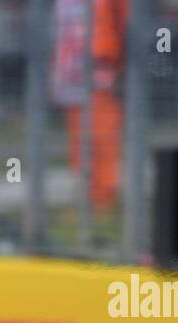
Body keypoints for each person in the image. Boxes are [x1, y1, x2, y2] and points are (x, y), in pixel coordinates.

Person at [51, 0, 128, 212]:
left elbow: (122, 19)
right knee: (79, 142)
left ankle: (103, 199)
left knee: (102, 138)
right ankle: (86, 200)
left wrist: (112, 55)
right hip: (72, 71)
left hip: (100, 68)